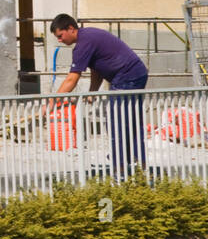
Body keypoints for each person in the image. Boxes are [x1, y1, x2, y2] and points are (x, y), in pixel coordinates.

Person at [50, 14, 149, 176]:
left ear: (70, 29)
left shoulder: (83, 44)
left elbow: (72, 78)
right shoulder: (88, 36)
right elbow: (97, 68)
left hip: (127, 77)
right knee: (131, 121)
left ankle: (120, 166)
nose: (59, 40)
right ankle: (138, 162)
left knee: (117, 122)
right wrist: (93, 91)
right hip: (135, 73)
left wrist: (52, 101)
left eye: (60, 36)